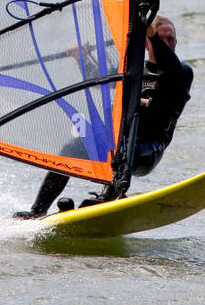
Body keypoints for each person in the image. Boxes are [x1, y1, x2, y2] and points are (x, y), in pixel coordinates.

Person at [14, 15, 193, 219]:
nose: (168, 43)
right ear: (145, 44)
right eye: (162, 38)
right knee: (70, 150)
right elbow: (101, 80)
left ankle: (108, 198)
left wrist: (149, 29)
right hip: (118, 144)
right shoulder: (134, 70)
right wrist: (81, 57)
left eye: (171, 39)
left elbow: (167, 61)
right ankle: (37, 211)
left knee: (122, 152)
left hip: (148, 149)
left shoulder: (181, 72)